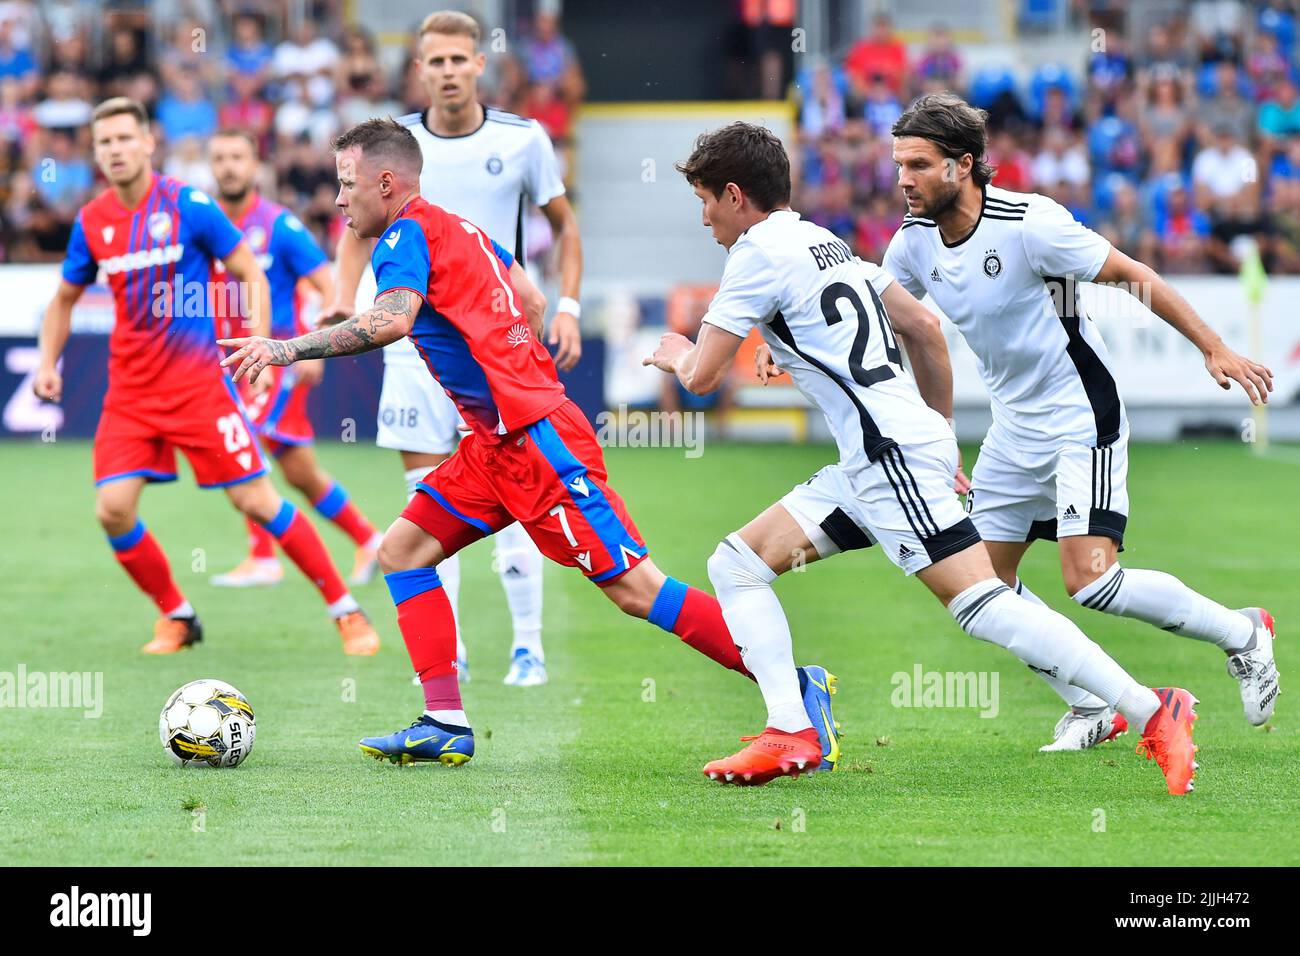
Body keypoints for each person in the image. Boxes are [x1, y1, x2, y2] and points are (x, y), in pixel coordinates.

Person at [218, 117, 840, 773]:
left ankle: (795, 690)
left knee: (636, 589)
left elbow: (394, 318)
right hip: (493, 443)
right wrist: (519, 356)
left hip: (537, 444)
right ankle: (444, 722)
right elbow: (530, 294)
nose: (339, 201)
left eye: (347, 185)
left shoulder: (402, 236)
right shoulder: (457, 227)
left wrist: (286, 347)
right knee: (403, 550)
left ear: (386, 182)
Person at [646, 121, 1200, 795]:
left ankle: (1149, 708)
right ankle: (792, 727)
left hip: (887, 457)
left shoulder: (755, 255)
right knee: (736, 564)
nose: (704, 217)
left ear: (735, 195)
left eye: (704, 199)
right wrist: (937, 437)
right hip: (885, 456)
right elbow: (923, 328)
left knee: (981, 605)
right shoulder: (823, 240)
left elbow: (702, 377)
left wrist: (673, 350)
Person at [883, 94, 1276, 748]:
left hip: (1078, 415)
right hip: (1012, 431)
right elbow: (887, 320)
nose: (903, 179)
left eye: (919, 165)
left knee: (1090, 580)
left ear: (964, 166)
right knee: (977, 585)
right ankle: (1093, 702)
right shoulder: (913, 244)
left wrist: (1213, 346)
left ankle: (1244, 634)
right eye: (899, 164)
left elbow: (1132, 275)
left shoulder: (1031, 223)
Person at [33, 97, 381, 656]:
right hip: (130, 395)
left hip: (199, 389)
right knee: (112, 508)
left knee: (259, 500)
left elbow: (249, 271)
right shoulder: (93, 221)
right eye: (106, 143)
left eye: (126, 138)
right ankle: (178, 615)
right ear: (96, 153)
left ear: (148, 143)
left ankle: (347, 611)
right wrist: (48, 361)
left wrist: (265, 350)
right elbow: (64, 299)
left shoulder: (189, 204)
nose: (116, 150)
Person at [323, 11, 585, 686]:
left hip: (497, 349)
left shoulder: (524, 140)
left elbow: (565, 228)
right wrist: (340, 294)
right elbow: (354, 230)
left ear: (478, 64)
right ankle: (454, 651)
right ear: (418, 69)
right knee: (427, 499)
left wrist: (570, 308)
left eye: (457, 60)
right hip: (415, 343)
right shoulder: (394, 147)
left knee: (518, 488)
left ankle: (528, 645)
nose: (446, 72)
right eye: (433, 61)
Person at [206, 128, 385, 589]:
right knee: (299, 472)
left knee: (238, 445)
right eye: (219, 157)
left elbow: (329, 288)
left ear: (255, 166)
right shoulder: (207, 228)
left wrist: (316, 346)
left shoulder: (279, 226)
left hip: (276, 361)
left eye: (237, 156)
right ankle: (370, 540)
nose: (228, 166)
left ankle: (263, 557)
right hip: (232, 364)